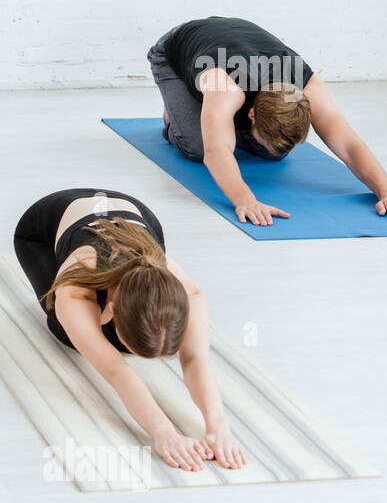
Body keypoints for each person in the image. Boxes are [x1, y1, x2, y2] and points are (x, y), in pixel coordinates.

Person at [14, 188, 246, 472]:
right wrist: (163, 432)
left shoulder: (186, 292)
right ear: (110, 307)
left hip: (132, 209)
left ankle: (130, 328)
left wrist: (218, 426)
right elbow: (116, 370)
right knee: (68, 331)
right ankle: (108, 324)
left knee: (147, 329)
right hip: (42, 229)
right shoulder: (75, 290)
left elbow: (196, 358)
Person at [148, 16, 387, 226]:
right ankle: (176, 113)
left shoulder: (306, 86)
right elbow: (215, 152)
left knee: (273, 152)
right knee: (198, 147)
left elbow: (349, 144)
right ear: (253, 113)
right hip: (176, 53)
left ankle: (231, 127)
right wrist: (246, 200)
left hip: (238, 47)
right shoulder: (225, 86)